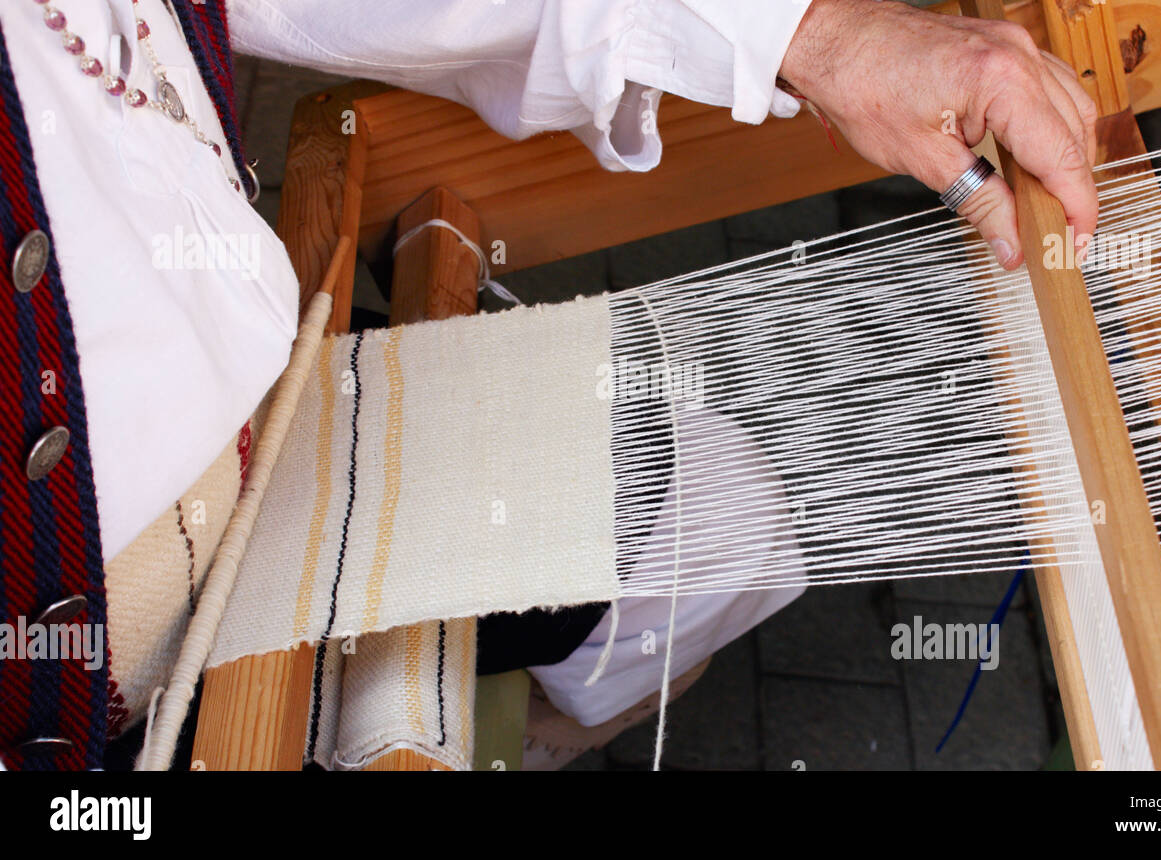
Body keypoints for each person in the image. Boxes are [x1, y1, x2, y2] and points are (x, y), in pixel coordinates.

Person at [0, 0, 1096, 770]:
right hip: (79, 700)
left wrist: (808, 33)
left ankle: (504, 733)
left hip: (272, 429)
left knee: (717, 518)